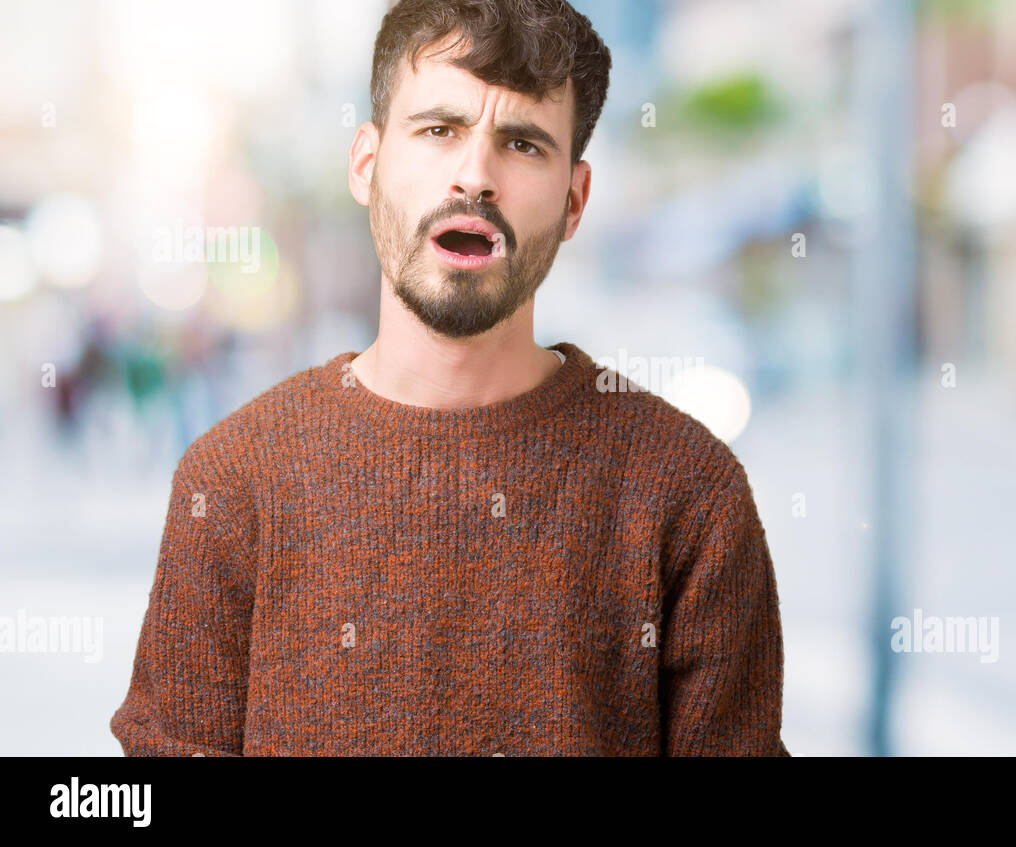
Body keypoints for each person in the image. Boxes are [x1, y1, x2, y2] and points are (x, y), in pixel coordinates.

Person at [110, 0, 789, 756]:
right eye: (439, 130)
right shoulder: (233, 481)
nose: (476, 175)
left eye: (524, 143)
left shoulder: (690, 493)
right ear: (367, 165)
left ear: (574, 201)